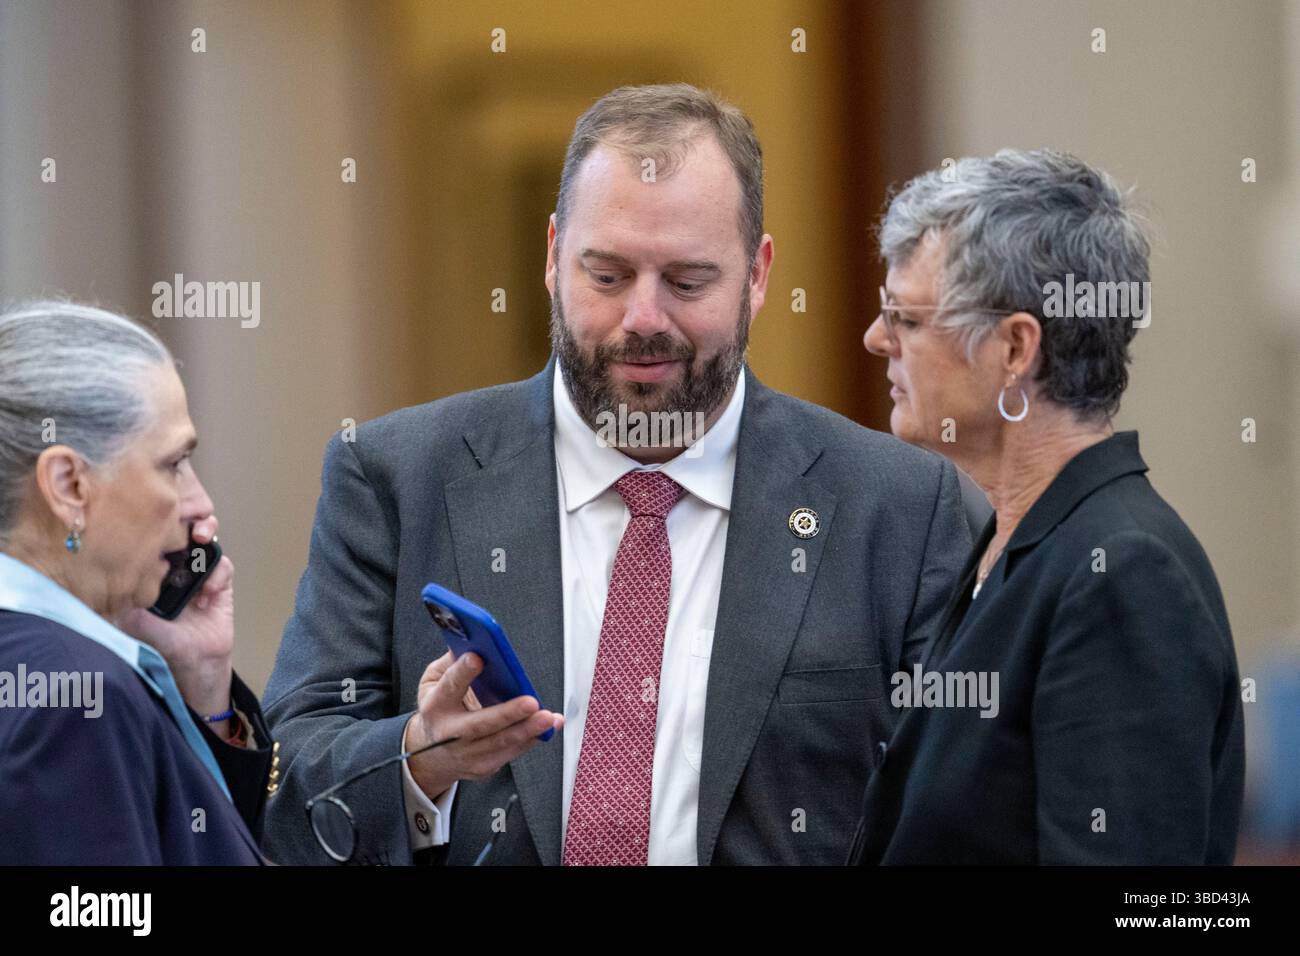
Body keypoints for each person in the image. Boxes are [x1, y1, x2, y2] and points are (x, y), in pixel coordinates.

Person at [262, 83, 969, 866]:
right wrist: (418, 759)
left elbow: (963, 814)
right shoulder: (395, 480)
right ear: (552, 255)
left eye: (688, 281)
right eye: (607, 276)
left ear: (758, 274)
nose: (643, 319)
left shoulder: (900, 509)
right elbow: (287, 791)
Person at [849, 149, 1245, 864]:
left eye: (904, 317)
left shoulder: (1121, 572)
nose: (877, 339)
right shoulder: (1011, 543)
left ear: (1014, 349)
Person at [0, 301, 275, 865]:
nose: (199, 505)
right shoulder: (78, 696)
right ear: (68, 484)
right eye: (172, 464)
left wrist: (200, 681)